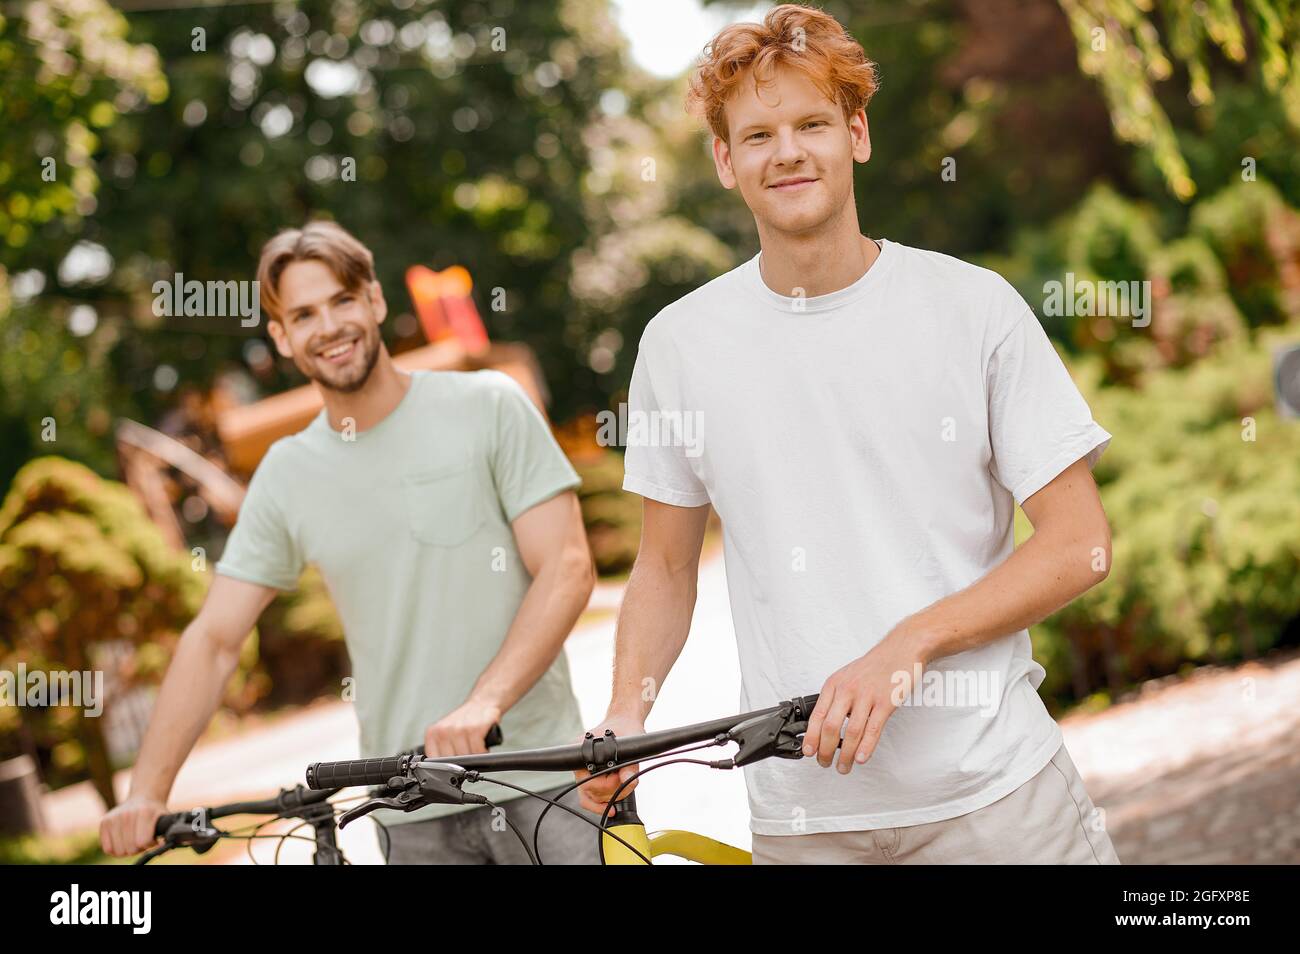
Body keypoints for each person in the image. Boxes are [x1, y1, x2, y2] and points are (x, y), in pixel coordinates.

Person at [577, 4, 1121, 865]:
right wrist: (626, 711)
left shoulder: (972, 309)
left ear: (857, 135)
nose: (786, 151)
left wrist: (909, 643)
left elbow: (1081, 544)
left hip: (996, 801)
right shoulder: (679, 345)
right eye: (756, 135)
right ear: (724, 160)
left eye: (811, 124)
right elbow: (667, 564)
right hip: (804, 823)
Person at [100, 220, 603, 864]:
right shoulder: (287, 472)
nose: (330, 326)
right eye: (304, 314)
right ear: (281, 337)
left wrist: (486, 701)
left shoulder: (487, 405)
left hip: (543, 782)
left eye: (342, 300)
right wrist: (146, 791)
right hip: (409, 806)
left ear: (375, 300)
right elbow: (216, 639)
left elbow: (565, 567)